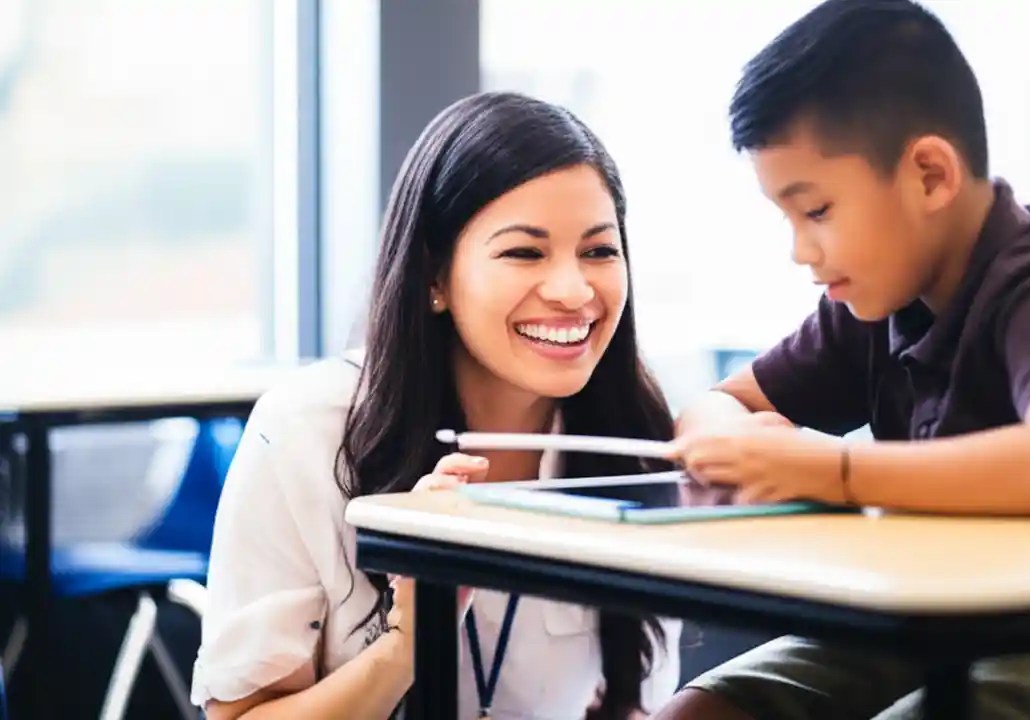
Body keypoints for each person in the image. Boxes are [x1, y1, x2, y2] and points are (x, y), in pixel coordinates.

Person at [656, 1, 1030, 718]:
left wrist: (826, 470)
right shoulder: (872, 303)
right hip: (951, 623)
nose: (801, 251)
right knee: (701, 711)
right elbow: (721, 403)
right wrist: (730, 443)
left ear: (930, 175)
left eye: (817, 212)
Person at [192, 91, 681, 720]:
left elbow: (637, 697)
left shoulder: (633, 440)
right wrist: (405, 647)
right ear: (434, 278)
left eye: (599, 251)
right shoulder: (306, 429)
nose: (573, 289)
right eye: (524, 252)